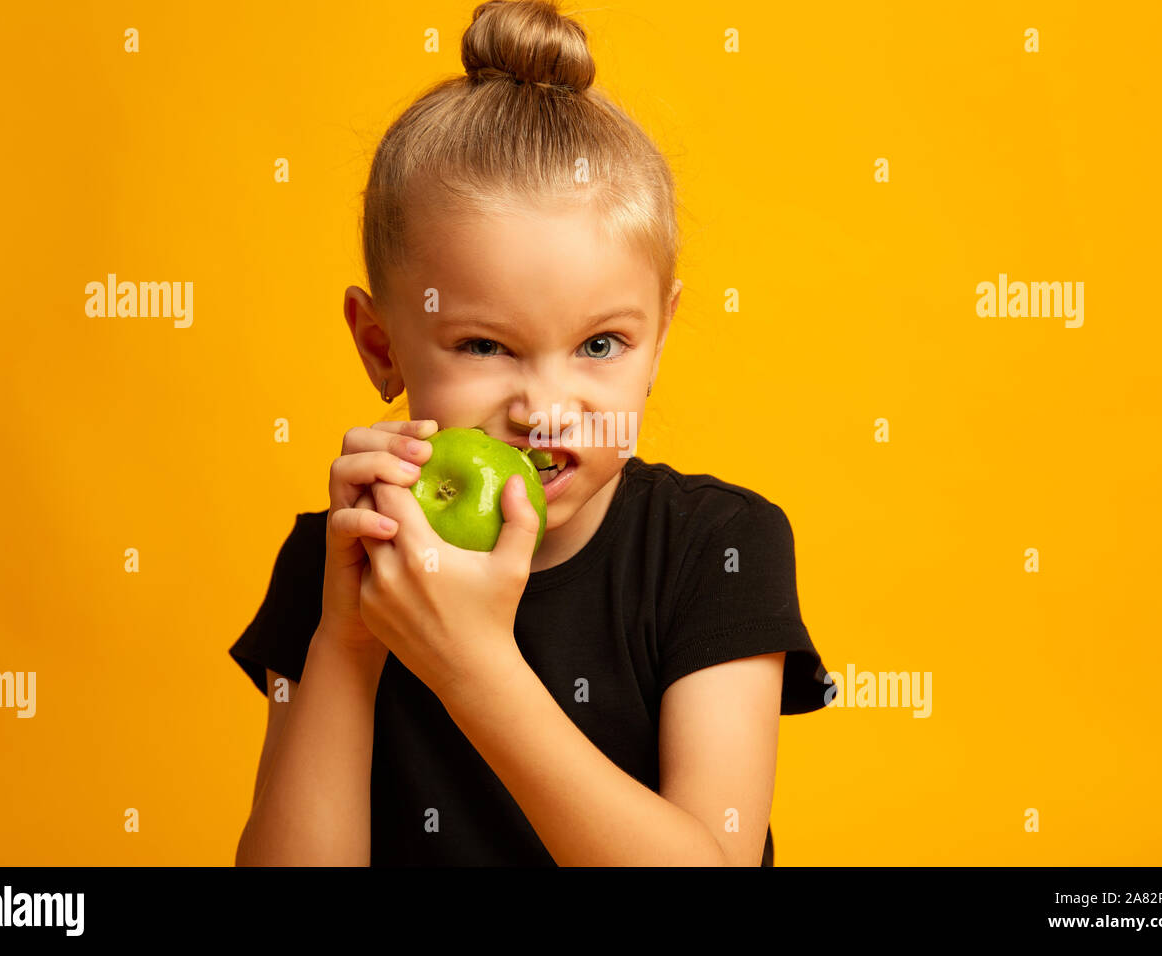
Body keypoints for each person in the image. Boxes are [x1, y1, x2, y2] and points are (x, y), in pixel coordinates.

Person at [230, 0, 831, 867]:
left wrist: (474, 667)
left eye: (600, 345)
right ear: (379, 346)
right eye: (484, 344)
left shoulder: (718, 550)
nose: (547, 409)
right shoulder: (339, 558)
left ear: (659, 338)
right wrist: (349, 640)